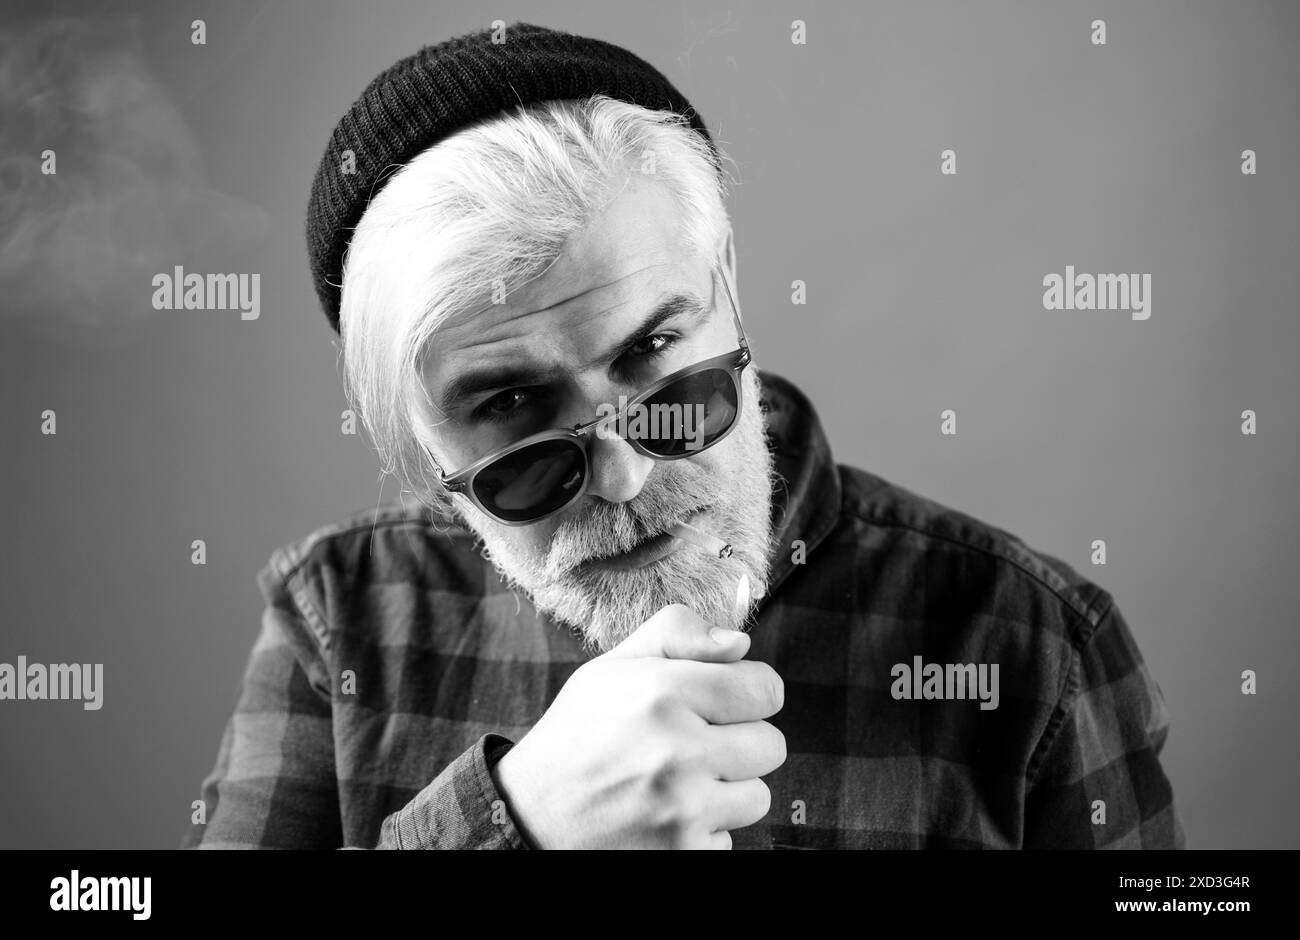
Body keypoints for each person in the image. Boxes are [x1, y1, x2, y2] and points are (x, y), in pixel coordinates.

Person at [184, 22, 1184, 850]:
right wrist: (513, 823)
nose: (619, 476)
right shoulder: (341, 621)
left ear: (729, 288)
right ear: (421, 441)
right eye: (512, 409)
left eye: (656, 350)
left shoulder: (1029, 644)